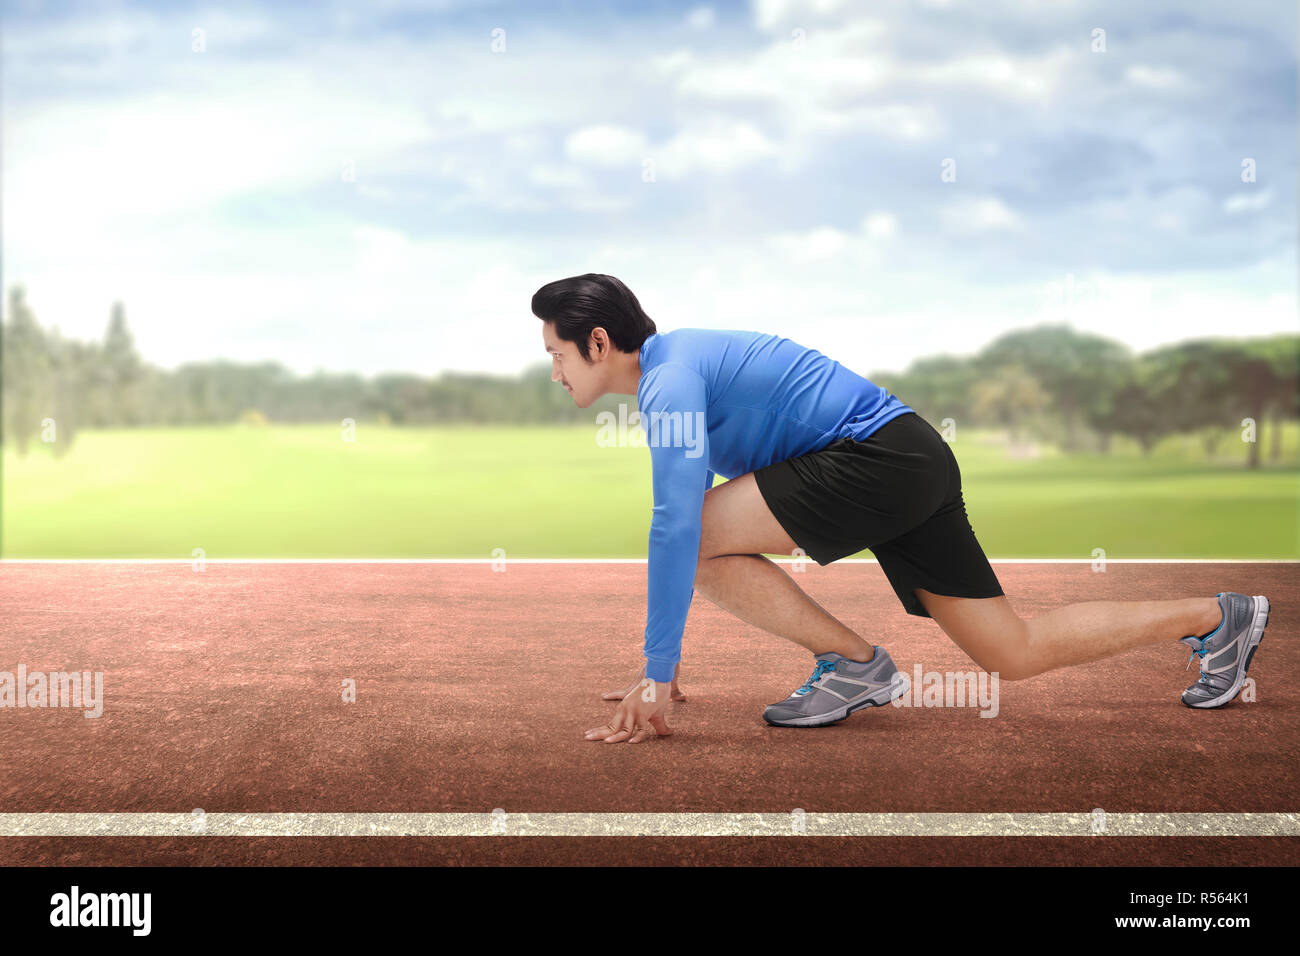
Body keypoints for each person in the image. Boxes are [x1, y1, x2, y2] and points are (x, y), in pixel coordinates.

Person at [531, 273, 1271, 744]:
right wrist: (667, 664)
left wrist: (659, 667)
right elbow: (696, 519)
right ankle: (1216, 617)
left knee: (691, 540)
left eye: (558, 355)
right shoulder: (677, 373)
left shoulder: (670, 380)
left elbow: (678, 526)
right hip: (905, 460)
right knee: (1011, 651)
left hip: (878, 459)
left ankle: (853, 665)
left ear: (599, 342)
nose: (556, 374)